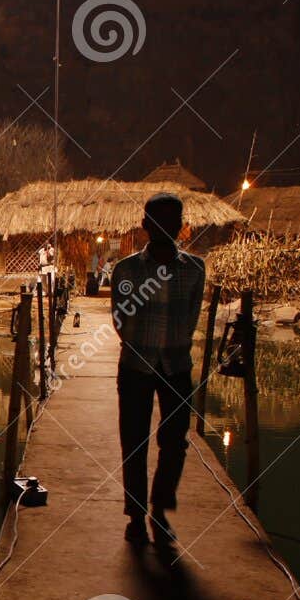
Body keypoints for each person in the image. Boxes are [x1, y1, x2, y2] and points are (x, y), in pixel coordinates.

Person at [110, 193, 205, 546]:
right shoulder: (127, 269)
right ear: (145, 225)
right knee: (134, 442)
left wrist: (172, 345)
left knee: (174, 442)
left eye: (173, 220)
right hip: (136, 365)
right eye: (159, 220)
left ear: (181, 226)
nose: (167, 227)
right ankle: (136, 514)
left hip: (177, 365)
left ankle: (160, 509)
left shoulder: (195, 269)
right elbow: (120, 319)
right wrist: (145, 346)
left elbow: (192, 316)